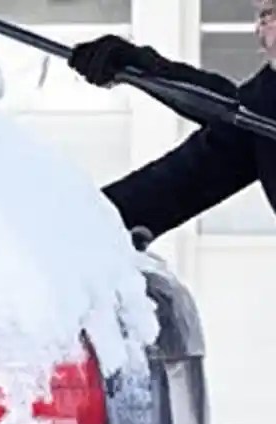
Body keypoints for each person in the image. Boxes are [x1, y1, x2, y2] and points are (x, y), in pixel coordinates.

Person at [67, 0, 276, 250]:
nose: (262, 33)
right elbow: (178, 181)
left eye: (270, 13)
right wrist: (78, 221)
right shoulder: (263, 106)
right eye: (261, 17)